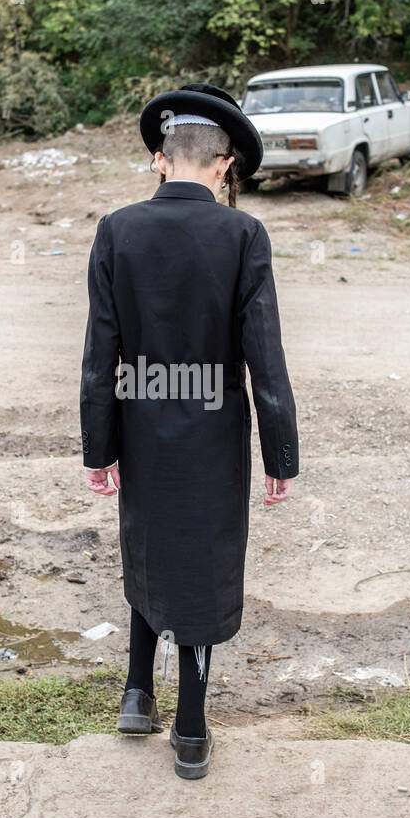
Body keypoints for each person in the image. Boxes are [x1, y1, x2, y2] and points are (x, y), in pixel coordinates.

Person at [79, 83, 299, 780]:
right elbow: (264, 354)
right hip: (212, 435)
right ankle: (192, 730)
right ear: (225, 165)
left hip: (142, 427)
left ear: (159, 159)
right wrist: (280, 452)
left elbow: (100, 350)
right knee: (200, 565)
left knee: (148, 547)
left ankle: (138, 692)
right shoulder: (243, 235)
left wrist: (99, 445)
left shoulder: (117, 229)